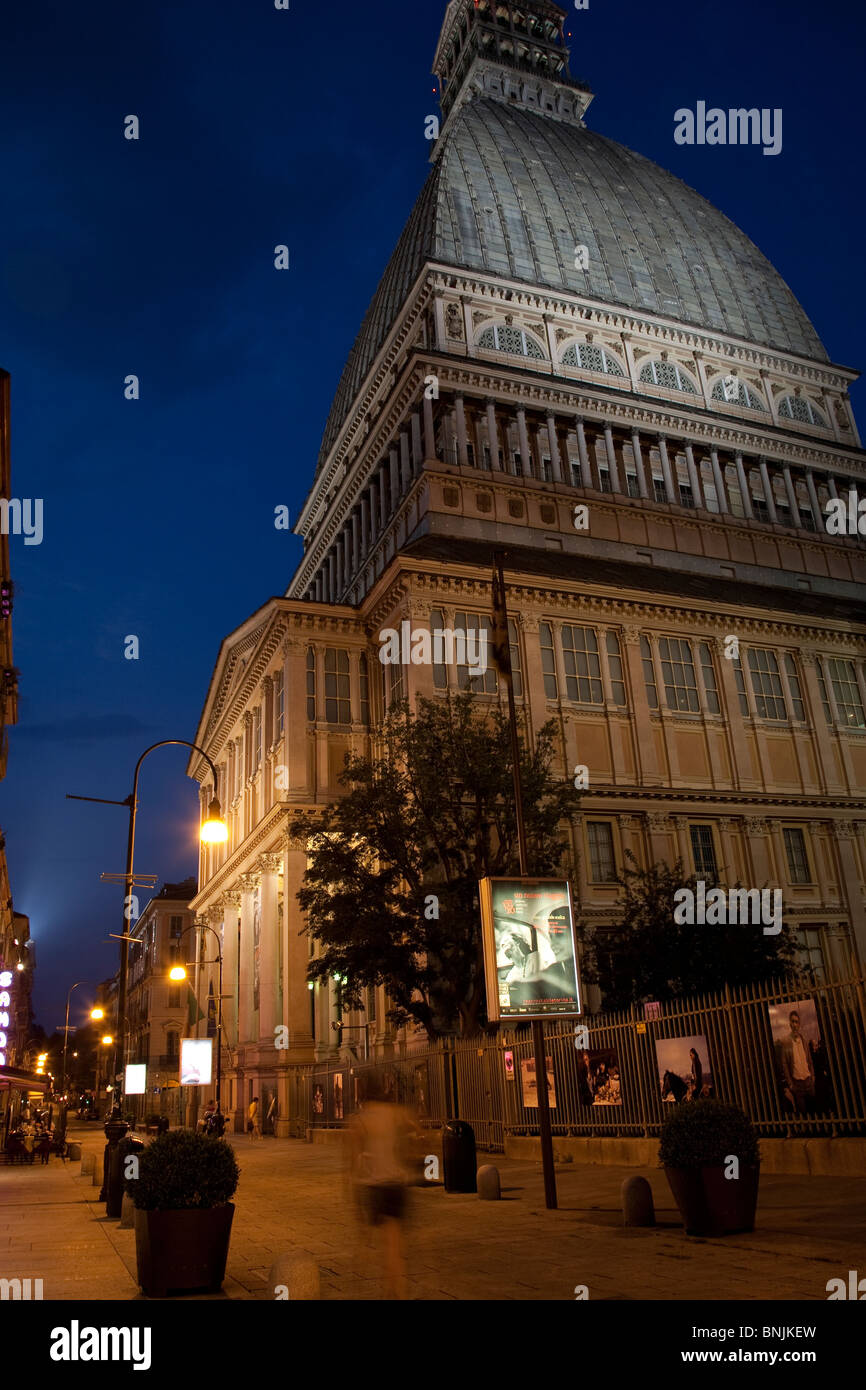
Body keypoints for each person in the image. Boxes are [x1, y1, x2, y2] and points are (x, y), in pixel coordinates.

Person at [347, 1073, 416, 1300]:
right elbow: (419, 1131)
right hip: (397, 1184)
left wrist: (355, 1201)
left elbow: (351, 1165)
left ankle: (390, 1291)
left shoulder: (360, 1121)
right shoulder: (397, 1114)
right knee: (394, 1243)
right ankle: (397, 1290)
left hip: (375, 1185)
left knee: (379, 1244)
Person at [779, 1010, 815, 1114]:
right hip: (797, 1085)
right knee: (803, 1114)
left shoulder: (804, 1040)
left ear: (799, 1024)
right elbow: (784, 1064)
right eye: (793, 1022)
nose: (795, 1025)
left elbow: (809, 1060)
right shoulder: (786, 1043)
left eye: (797, 1022)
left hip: (809, 1082)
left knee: (815, 1112)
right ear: (790, 1024)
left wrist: (813, 1077)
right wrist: (790, 1084)